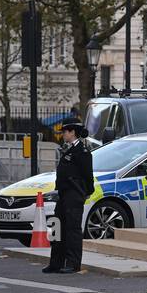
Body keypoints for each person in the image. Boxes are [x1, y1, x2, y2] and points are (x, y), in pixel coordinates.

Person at [42, 118, 94, 275]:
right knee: (57, 227)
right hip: (63, 194)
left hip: (74, 194)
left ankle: (73, 263)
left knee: (72, 230)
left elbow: (88, 177)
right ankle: (56, 262)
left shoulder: (82, 152)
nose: (63, 134)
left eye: (65, 131)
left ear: (72, 132)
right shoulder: (68, 149)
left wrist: (83, 193)